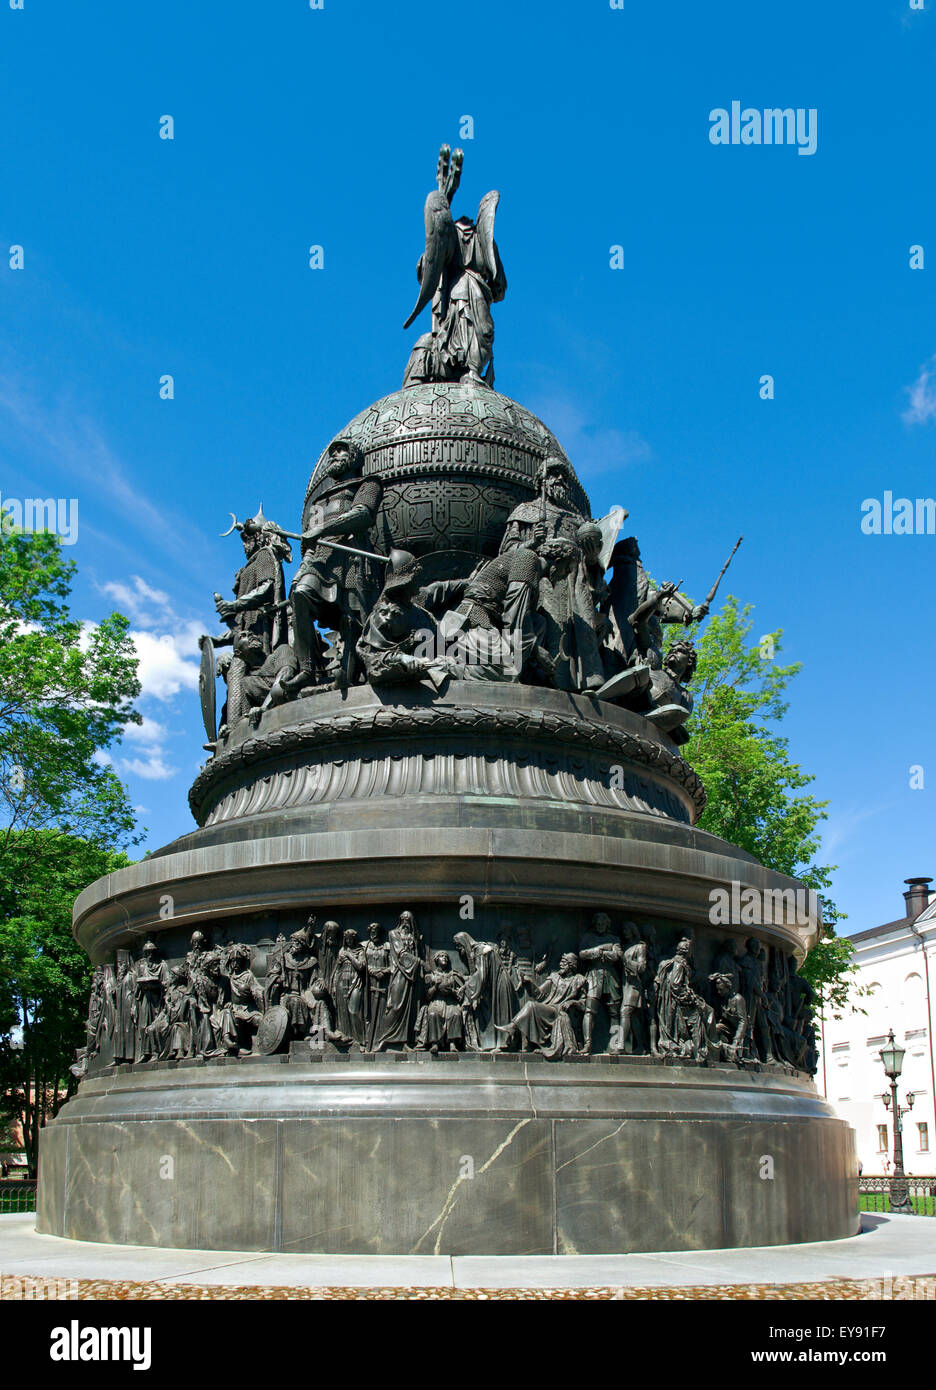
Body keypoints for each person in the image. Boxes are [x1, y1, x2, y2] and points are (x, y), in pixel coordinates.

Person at [288, 439, 382, 690]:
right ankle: (307, 669)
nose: (334, 456)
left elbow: (363, 514)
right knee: (300, 594)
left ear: (353, 458)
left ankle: (350, 673)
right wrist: (302, 568)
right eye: (332, 453)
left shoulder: (367, 484)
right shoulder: (320, 500)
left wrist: (322, 529)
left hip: (351, 556)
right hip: (321, 559)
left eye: (340, 451)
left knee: (352, 619)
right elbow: (309, 540)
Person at [496, 953, 587, 1058]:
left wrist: (572, 1002)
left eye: (564, 962)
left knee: (531, 1005)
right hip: (550, 1009)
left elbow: (584, 1003)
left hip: (561, 1011)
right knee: (532, 1006)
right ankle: (514, 1031)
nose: (560, 964)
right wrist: (529, 982)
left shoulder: (579, 980)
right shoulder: (554, 977)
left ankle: (512, 1027)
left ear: (571, 965)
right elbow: (539, 994)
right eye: (560, 962)